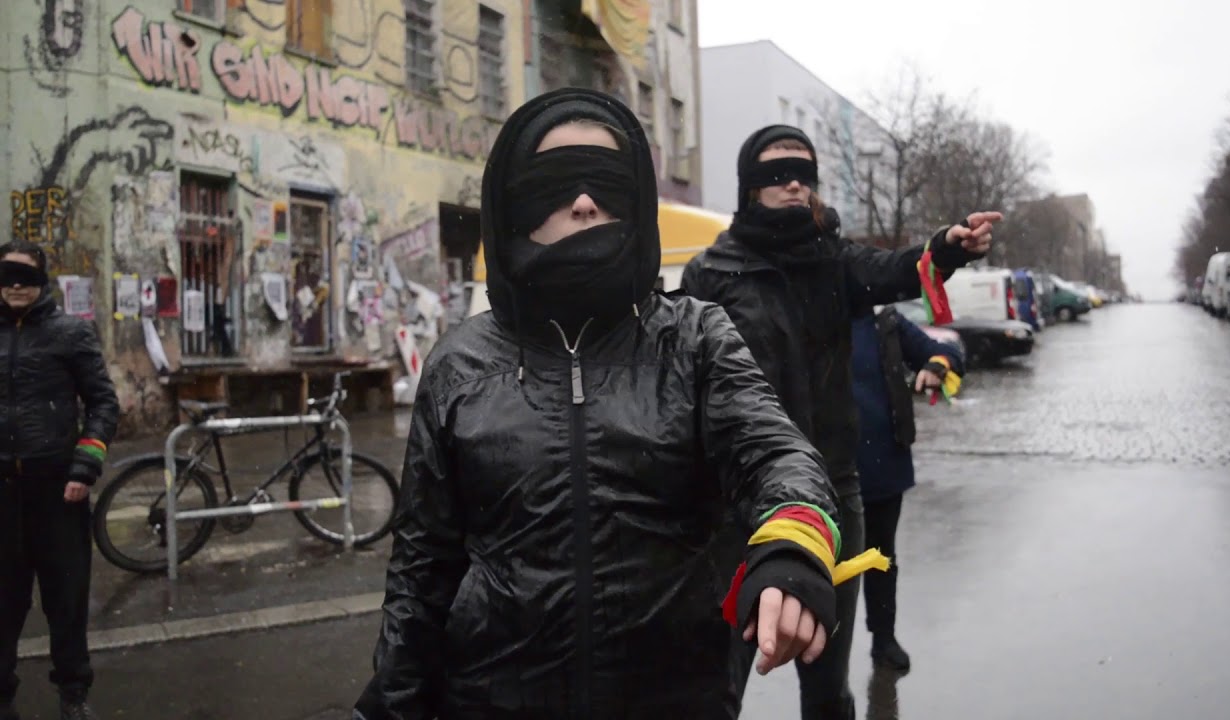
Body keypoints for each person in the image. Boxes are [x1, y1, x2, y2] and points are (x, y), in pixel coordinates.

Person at [352, 88, 889, 719]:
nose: (583, 202)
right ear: (513, 202)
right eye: (556, 183)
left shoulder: (694, 339)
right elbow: (422, 569)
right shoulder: (459, 364)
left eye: (605, 183)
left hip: (677, 696)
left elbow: (775, 455)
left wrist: (791, 543)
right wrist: (392, 702)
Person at [681, 124, 999, 719]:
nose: (795, 182)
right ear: (751, 187)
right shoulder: (711, 273)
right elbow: (686, 382)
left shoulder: (836, 261)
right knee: (717, 683)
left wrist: (948, 248)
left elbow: (899, 268)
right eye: (778, 172)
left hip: (831, 491)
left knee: (826, 682)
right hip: (737, 499)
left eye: (805, 172)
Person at [0, 242, 120, 720]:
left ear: (42, 280)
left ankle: (73, 694)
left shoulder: (71, 333)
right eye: (6, 275)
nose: (14, 285)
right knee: (3, 603)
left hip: (58, 492)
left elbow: (103, 404)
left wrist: (84, 468)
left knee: (65, 601)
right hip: (2, 493)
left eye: (24, 276)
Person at [851, 304, 965, 672]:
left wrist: (935, 367)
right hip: (823, 469)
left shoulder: (884, 322)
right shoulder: (807, 316)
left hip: (884, 464)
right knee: (822, 566)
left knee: (881, 558)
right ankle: (824, 653)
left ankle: (883, 639)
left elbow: (946, 353)